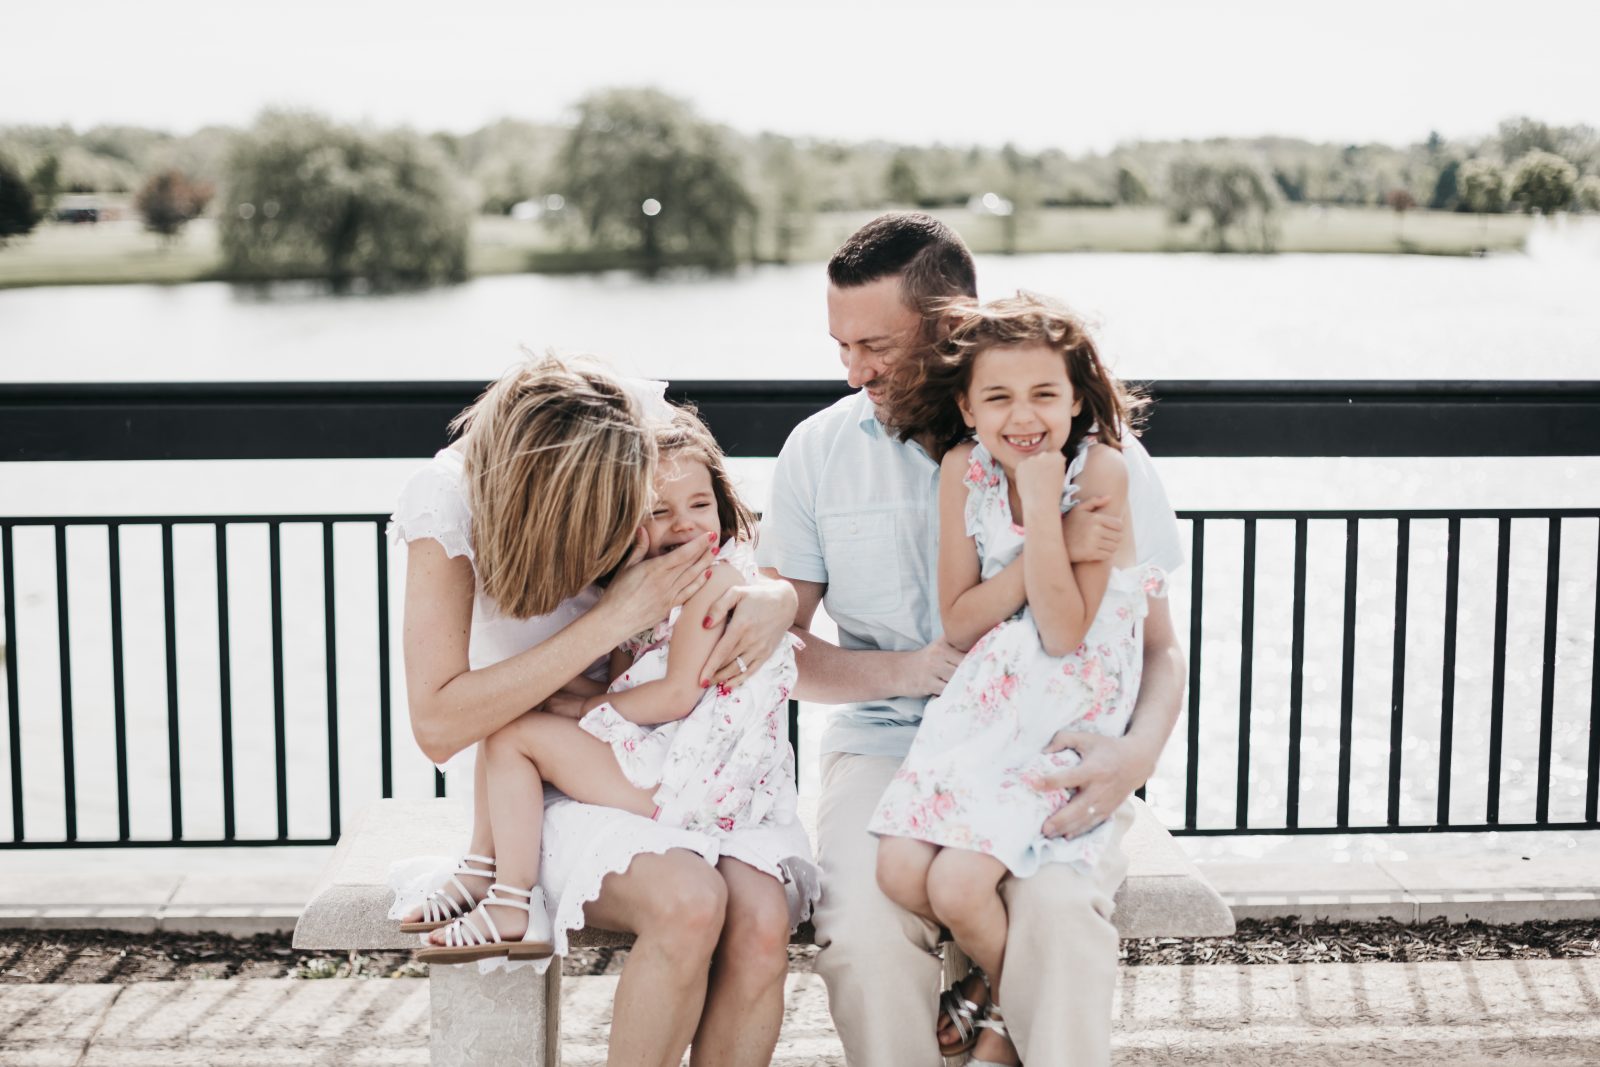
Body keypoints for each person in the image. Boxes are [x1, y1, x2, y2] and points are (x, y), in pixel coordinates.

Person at [755, 213, 1187, 1067]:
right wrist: (909, 669)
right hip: (888, 742)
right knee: (867, 936)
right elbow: (782, 651)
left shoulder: (1099, 458)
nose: (854, 372)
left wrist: (1132, 758)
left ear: (950, 323)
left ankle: (1001, 1017)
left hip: (1050, 743)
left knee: (1060, 916)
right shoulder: (817, 451)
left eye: (874, 344)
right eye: (841, 346)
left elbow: (1162, 648)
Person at [389, 355, 805, 1065]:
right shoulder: (447, 500)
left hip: (679, 751)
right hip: (546, 769)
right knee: (691, 901)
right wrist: (613, 621)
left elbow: (715, 526)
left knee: (764, 920)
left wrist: (777, 598)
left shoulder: (630, 421)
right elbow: (436, 728)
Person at [869, 293, 1165, 1066]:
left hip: (1061, 708)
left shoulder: (1099, 469)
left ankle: (1003, 1023)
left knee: (961, 885)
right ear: (967, 406)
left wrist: (1042, 500)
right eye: (997, 396)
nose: (1022, 415)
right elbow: (961, 619)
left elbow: (1066, 632)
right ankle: (1006, 988)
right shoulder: (963, 470)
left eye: (1044, 393)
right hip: (987, 709)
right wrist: (1052, 538)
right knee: (900, 867)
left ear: (1076, 400)